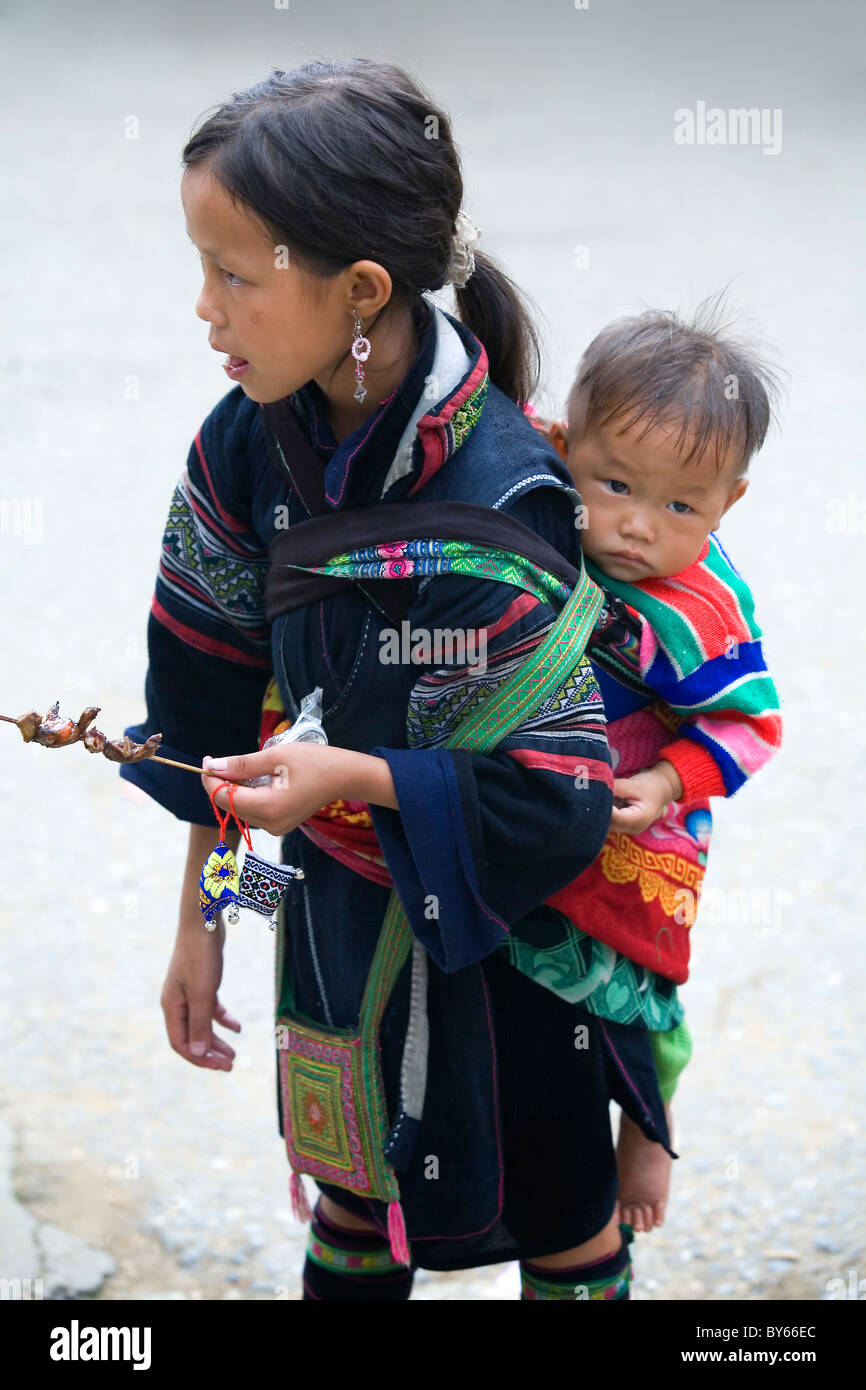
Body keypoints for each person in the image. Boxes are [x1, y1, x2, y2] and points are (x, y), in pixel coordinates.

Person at [120, 58, 676, 1301]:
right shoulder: (240, 446)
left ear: (361, 292)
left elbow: (551, 798)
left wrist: (350, 779)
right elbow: (211, 729)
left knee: (563, 1222)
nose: (203, 308)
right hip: (334, 930)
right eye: (200, 264)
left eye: (233, 274)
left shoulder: (499, 499)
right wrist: (206, 921)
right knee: (353, 1215)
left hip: (515, 954)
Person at [525, 307, 783, 1233]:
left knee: (640, 998)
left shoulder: (706, 605)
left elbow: (752, 727)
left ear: (729, 503)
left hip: (650, 819)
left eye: (682, 506)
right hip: (547, 805)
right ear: (563, 445)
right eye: (616, 484)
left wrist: (672, 782)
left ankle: (648, 1125)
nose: (638, 526)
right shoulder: (531, 507)